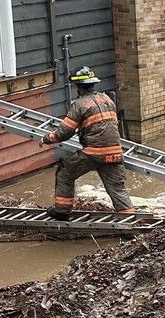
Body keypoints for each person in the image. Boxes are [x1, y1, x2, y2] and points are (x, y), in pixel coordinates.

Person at [39, 67, 134, 221]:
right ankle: (129, 220)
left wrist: (46, 138)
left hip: (94, 152)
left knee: (65, 172)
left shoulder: (80, 104)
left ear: (78, 88)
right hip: (115, 152)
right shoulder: (107, 100)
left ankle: (62, 210)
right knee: (117, 189)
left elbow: (65, 133)